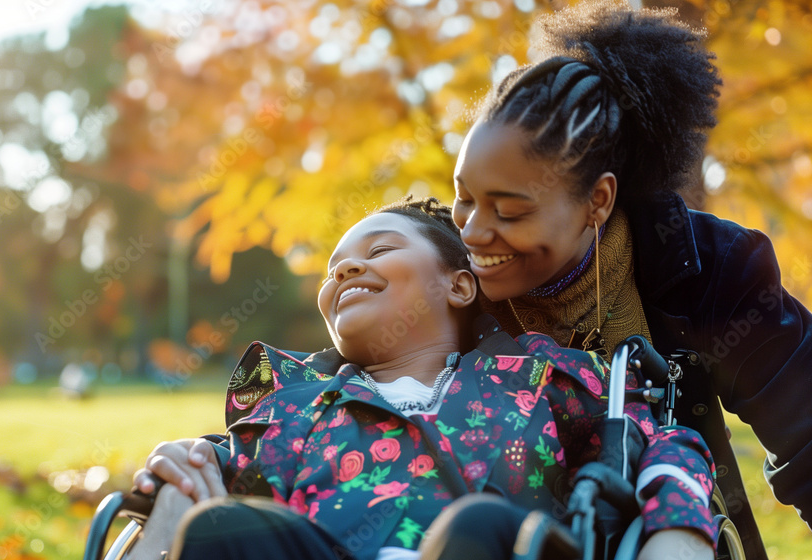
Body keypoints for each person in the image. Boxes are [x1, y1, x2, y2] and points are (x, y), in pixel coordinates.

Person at [127, 197, 716, 560]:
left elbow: (660, 442)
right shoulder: (292, 409)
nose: (346, 269)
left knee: (478, 526)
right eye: (333, 270)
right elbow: (199, 487)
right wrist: (180, 471)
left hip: (489, 546)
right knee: (223, 528)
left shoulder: (535, 378)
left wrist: (679, 534)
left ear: (460, 285)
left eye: (380, 249)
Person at [450, 0, 812, 545]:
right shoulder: (446, 277)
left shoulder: (708, 269)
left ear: (598, 200)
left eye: (510, 212)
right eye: (464, 199)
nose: (473, 233)